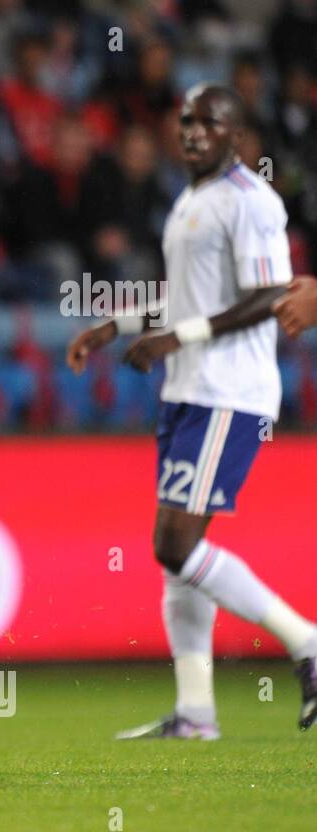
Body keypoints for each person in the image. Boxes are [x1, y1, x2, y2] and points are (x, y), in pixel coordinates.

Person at [66, 84, 316, 739]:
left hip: (227, 393)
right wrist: (114, 326)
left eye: (210, 121)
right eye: (186, 121)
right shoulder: (191, 200)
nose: (194, 131)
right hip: (187, 390)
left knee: (173, 543)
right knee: (180, 549)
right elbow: (184, 301)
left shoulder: (252, 201)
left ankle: (307, 642)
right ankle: (196, 711)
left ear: (238, 134)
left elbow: (270, 294)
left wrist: (179, 338)